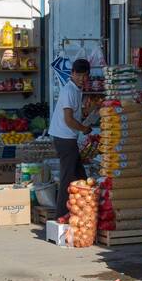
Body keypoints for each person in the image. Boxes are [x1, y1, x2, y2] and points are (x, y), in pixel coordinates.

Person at [50, 59, 93, 220]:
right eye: (79, 74)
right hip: (64, 138)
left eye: (85, 75)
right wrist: (84, 128)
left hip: (68, 137)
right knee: (68, 177)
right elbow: (68, 119)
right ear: (72, 73)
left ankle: (82, 210)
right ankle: (61, 216)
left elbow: (73, 114)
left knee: (80, 175)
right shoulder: (68, 90)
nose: (82, 78)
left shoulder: (76, 89)